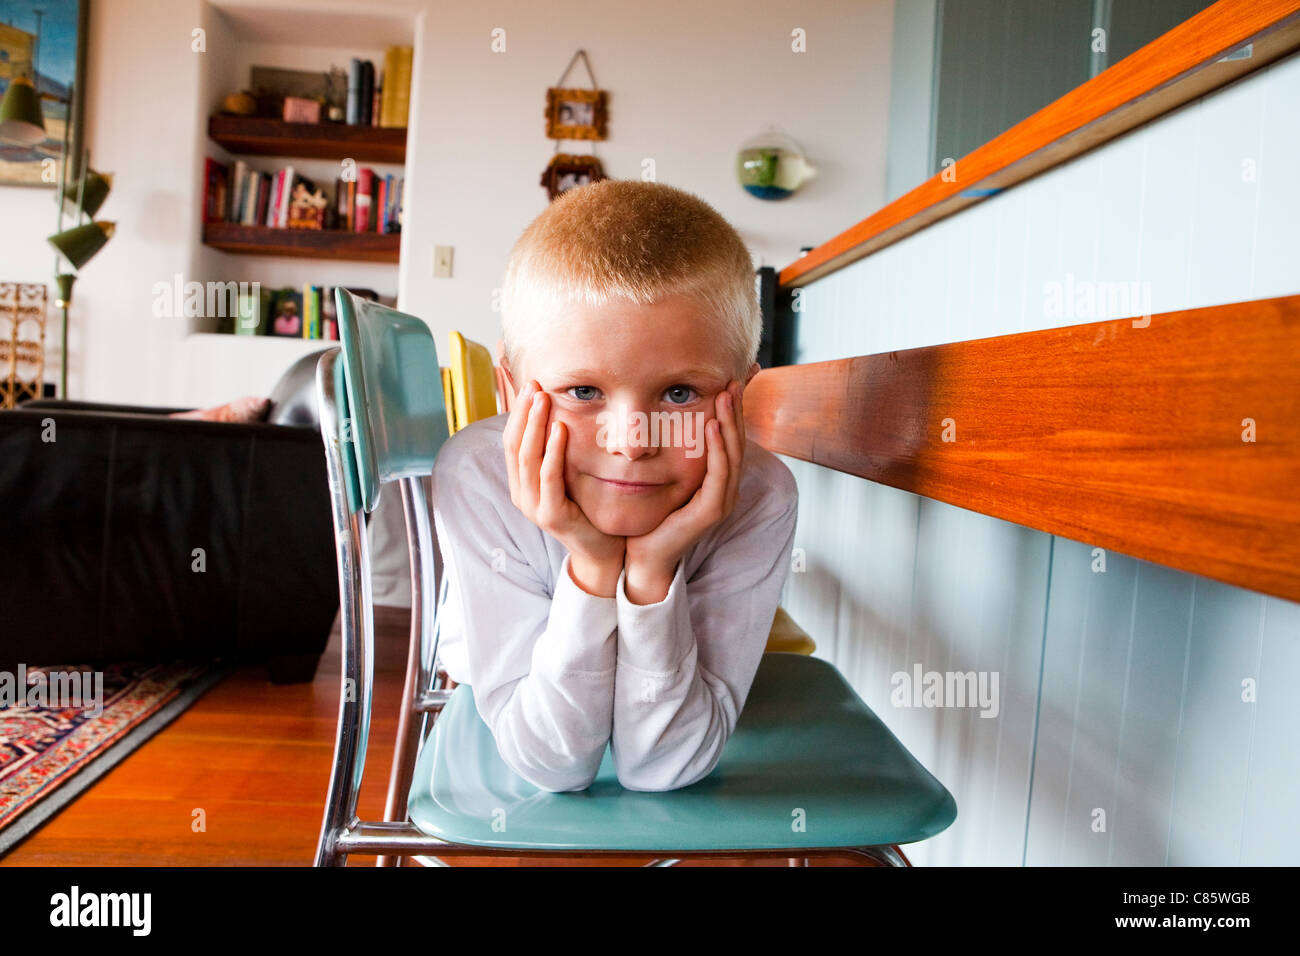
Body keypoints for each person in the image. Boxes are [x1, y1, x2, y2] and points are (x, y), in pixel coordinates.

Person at [430, 179, 798, 793]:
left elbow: (662, 766)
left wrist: (652, 571)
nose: (631, 441)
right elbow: (553, 765)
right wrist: (594, 566)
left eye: (680, 393)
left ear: (741, 396)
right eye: (584, 391)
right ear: (513, 392)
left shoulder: (761, 495)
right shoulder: (476, 478)